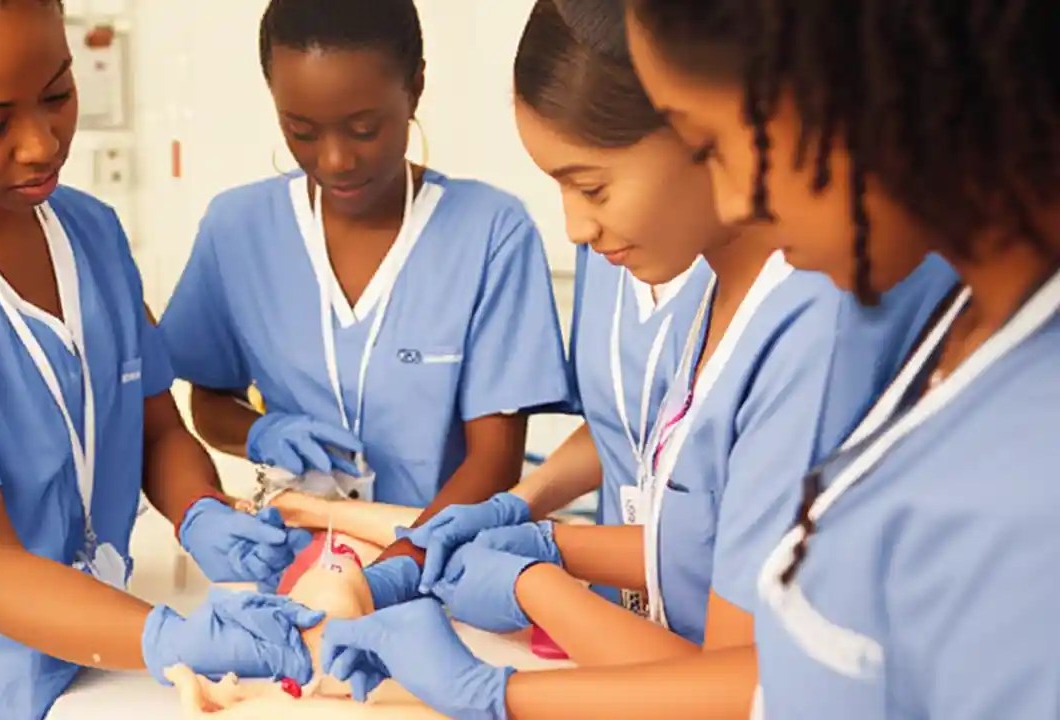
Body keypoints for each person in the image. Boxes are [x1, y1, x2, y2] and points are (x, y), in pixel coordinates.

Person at [314, 1, 959, 717]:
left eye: (590, 186)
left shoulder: (812, 318)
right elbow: (714, 543)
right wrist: (547, 542)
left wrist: (512, 648)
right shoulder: (718, 288)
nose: (575, 227)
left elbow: (749, 682)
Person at [0, 2, 321, 717]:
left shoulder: (91, 234)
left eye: (58, 95)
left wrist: (200, 512)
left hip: (77, 668)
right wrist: (175, 638)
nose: (41, 144)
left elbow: (156, 428)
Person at [621, 0, 1060, 718]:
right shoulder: (967, 323)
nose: (731, 204)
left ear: (850, 83)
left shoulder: (1034, 479)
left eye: (710, 147)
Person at [158, 0, 571, 587]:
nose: (335, 160)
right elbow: (208, 403)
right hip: (294, 565)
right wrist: (258, 432)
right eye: (301, 131)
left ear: (416, 89)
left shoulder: (491, 232)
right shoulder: (237, 228)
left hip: (444, 565)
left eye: (363, 128)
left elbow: (495, 459)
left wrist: (403, 565)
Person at [392, 0, 721, 611]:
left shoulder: (777, 297)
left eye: (591, 186)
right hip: (624, 625)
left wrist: (549, 556)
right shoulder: (616, 250)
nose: (575, 227)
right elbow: (624, 426)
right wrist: (520, 504)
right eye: (559, 185)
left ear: (697, 131)